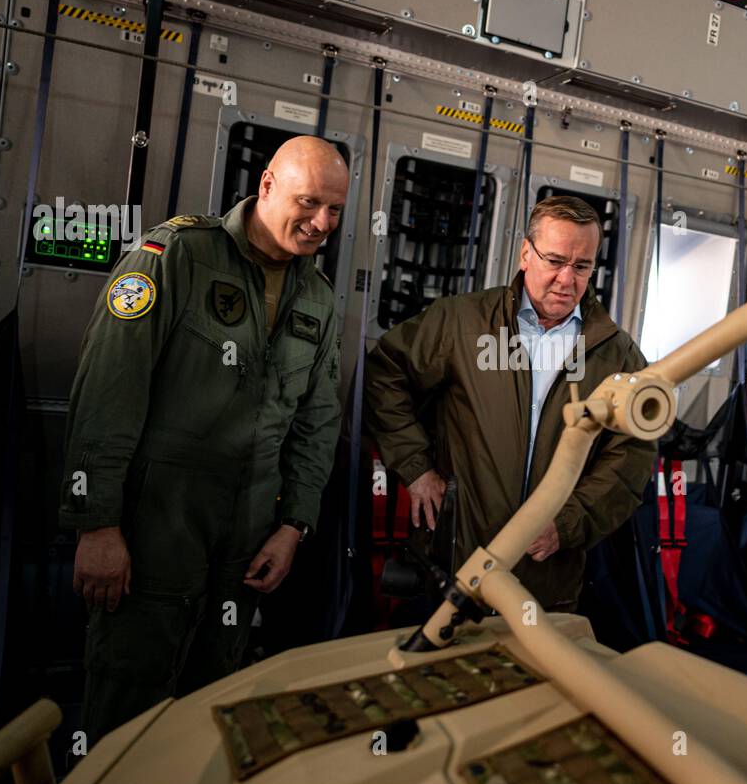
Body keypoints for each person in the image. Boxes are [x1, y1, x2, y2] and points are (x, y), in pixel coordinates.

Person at [60, 136, 346, 742]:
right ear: (266, 185)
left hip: (244, 543)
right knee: (126, 705)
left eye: (336, 210)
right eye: (310, 201)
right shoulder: (176, 255)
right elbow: (108, 391)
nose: (323, 222)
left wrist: (294, 525)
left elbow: (317, 424)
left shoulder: (317, 298)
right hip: (154, 528)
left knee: (215, 705)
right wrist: (96, 524)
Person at [365, 195, 655, 612]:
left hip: (546, 581)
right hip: (455, 563)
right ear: (525, 253)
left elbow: (631, 455)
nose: (566, 280)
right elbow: (385, 374)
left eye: (581, 266)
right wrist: (416, 467)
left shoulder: (618, 354)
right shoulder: (462, 323)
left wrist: (569, 522)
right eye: (554, 260)